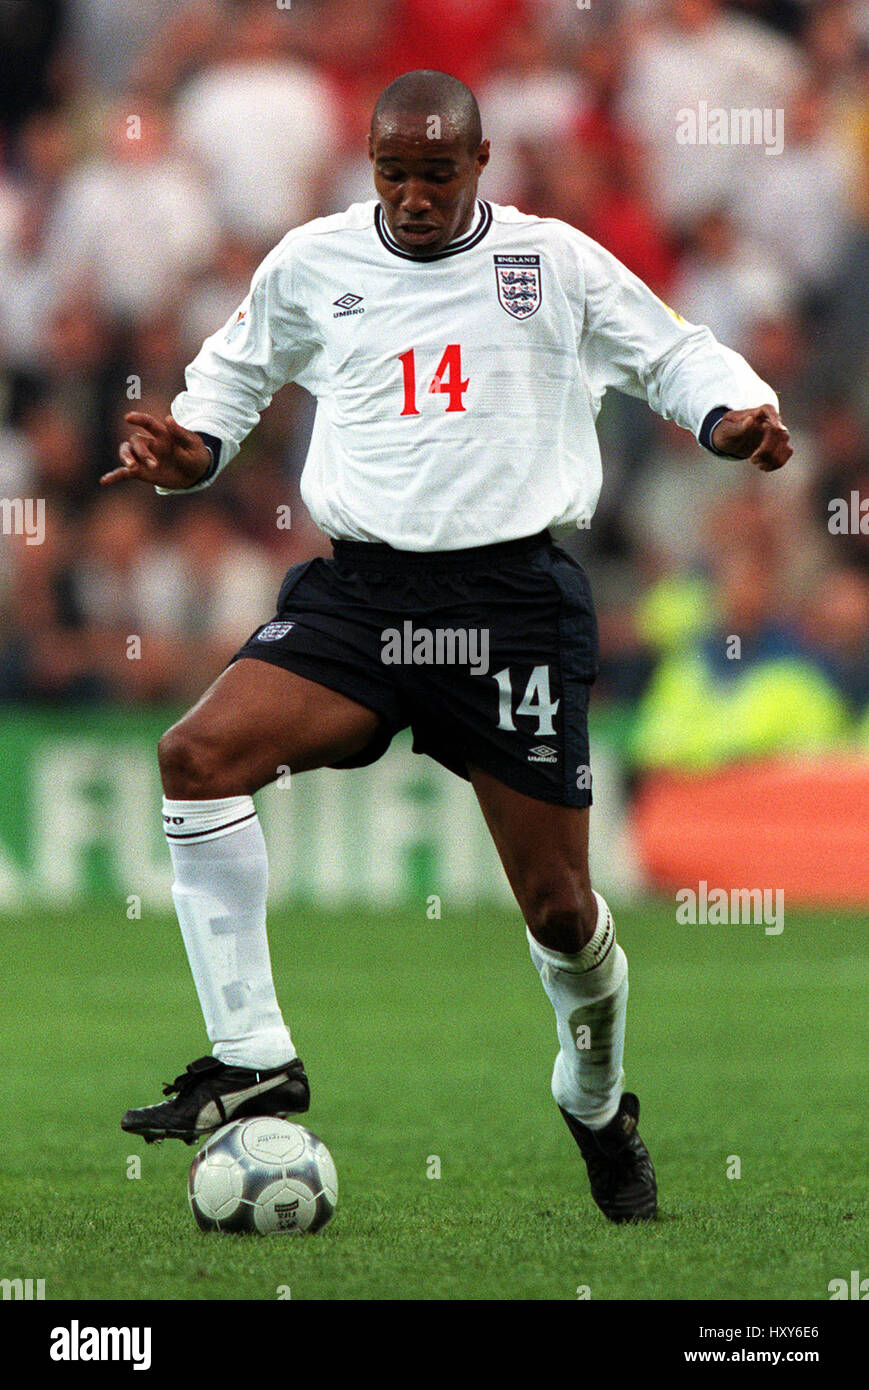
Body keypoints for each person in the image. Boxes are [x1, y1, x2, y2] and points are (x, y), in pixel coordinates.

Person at [105, 70, 791, 1224]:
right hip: (363, 600)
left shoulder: (549, 262)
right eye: (393, 174)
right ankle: (255, 1054)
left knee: (561, 912)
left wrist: (729, 411)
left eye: (436, 174)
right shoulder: (313, 262)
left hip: (511, 605)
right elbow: (227, 382)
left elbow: (670, 349)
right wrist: (195, 449)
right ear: (368, 166)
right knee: (197, 755)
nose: (413, 197)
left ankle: (595, 1097)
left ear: (479, 166)